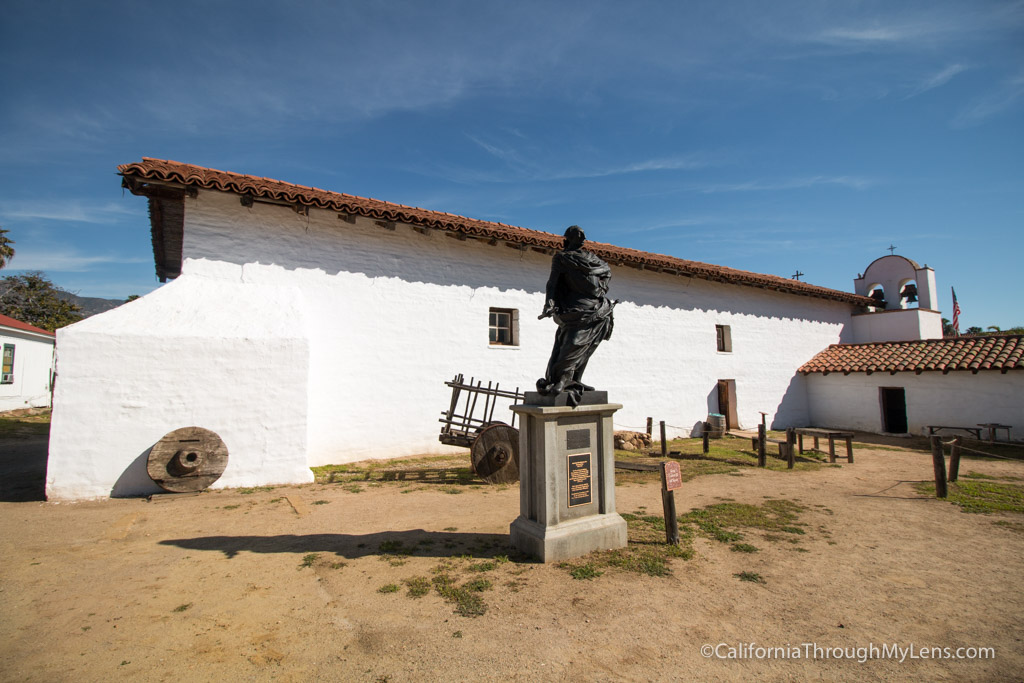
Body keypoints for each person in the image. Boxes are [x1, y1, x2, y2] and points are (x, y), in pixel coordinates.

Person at [537, 225, 615, 405]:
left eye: (583, 235)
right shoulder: (562, 258)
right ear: (569, 238)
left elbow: (606, 270)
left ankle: (574, 380)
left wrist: (601, 287)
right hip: (575, 308)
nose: (583, 237)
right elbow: (552, 283)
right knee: (572, 343)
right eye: (579, 234)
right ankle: (561, 379)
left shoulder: (592, 258)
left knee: (587, 347)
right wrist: (549, 303)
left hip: (597, 308)